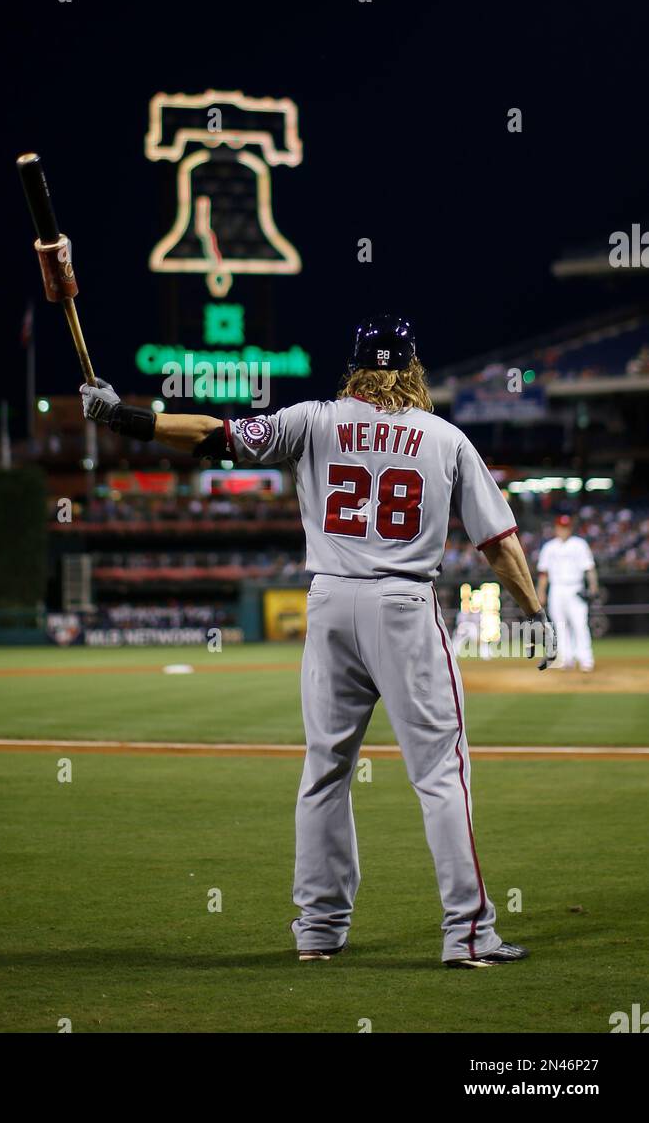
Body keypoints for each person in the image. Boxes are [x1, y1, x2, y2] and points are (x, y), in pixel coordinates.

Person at [80, 314, 557, 969]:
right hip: (402, 605)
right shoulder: (444, 438)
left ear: (354, 367)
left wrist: (123, 417)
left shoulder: (314, 420)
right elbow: (498, 544)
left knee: (325, 772)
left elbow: (211, 437)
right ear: (411, 369)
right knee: (441, 775)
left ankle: (319, 932)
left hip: (330, 601)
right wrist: (535, 609)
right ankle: (468, 935)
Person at [537, 515, 598, 672]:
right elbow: (543, 573)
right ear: (556, 528)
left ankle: (586, 660)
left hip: (575, 588)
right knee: (560, 626)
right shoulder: (549, 547)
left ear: (570, 528)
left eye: (566, 527)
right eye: (560, 527)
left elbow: (589, 568)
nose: (563, 530)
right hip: (556, 588)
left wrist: (593, 586)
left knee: (580, 624)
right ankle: (566, 658)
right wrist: (541, 593)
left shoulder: (579, 544)